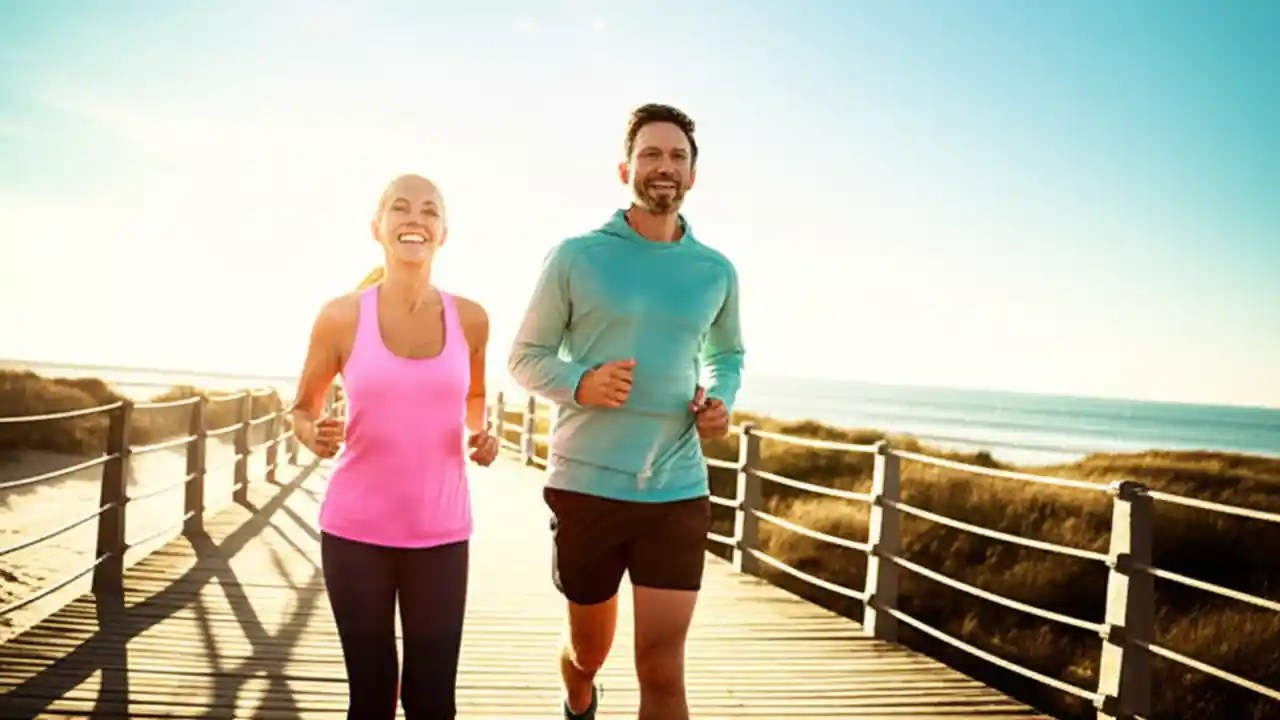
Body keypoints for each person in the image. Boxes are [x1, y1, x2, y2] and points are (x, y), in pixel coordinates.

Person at [508, 103, 745, 720]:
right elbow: (525, 357)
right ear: (625, 169)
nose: (664, 167)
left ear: (693, 175)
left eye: (677, 157)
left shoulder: (715, 271)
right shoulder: (575, 256)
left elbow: (728, 353)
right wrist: (582, 383)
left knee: (662, 667)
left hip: (676, 488)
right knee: (589, 650)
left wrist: (720, 400)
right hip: (587, 485)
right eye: (651, 154)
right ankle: (579, 692)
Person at [289, 173, 499, 719]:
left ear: (444, 231)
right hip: (356, 531)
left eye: (429, 211)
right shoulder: (341, 315)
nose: (415, 219)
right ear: (376, 227)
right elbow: (302, 407)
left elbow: (474, 395)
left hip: (442, 532)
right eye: (400, 209)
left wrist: (479, 434)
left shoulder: (471, 318)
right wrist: (314, 434)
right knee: (373, 696)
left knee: (432, 701)